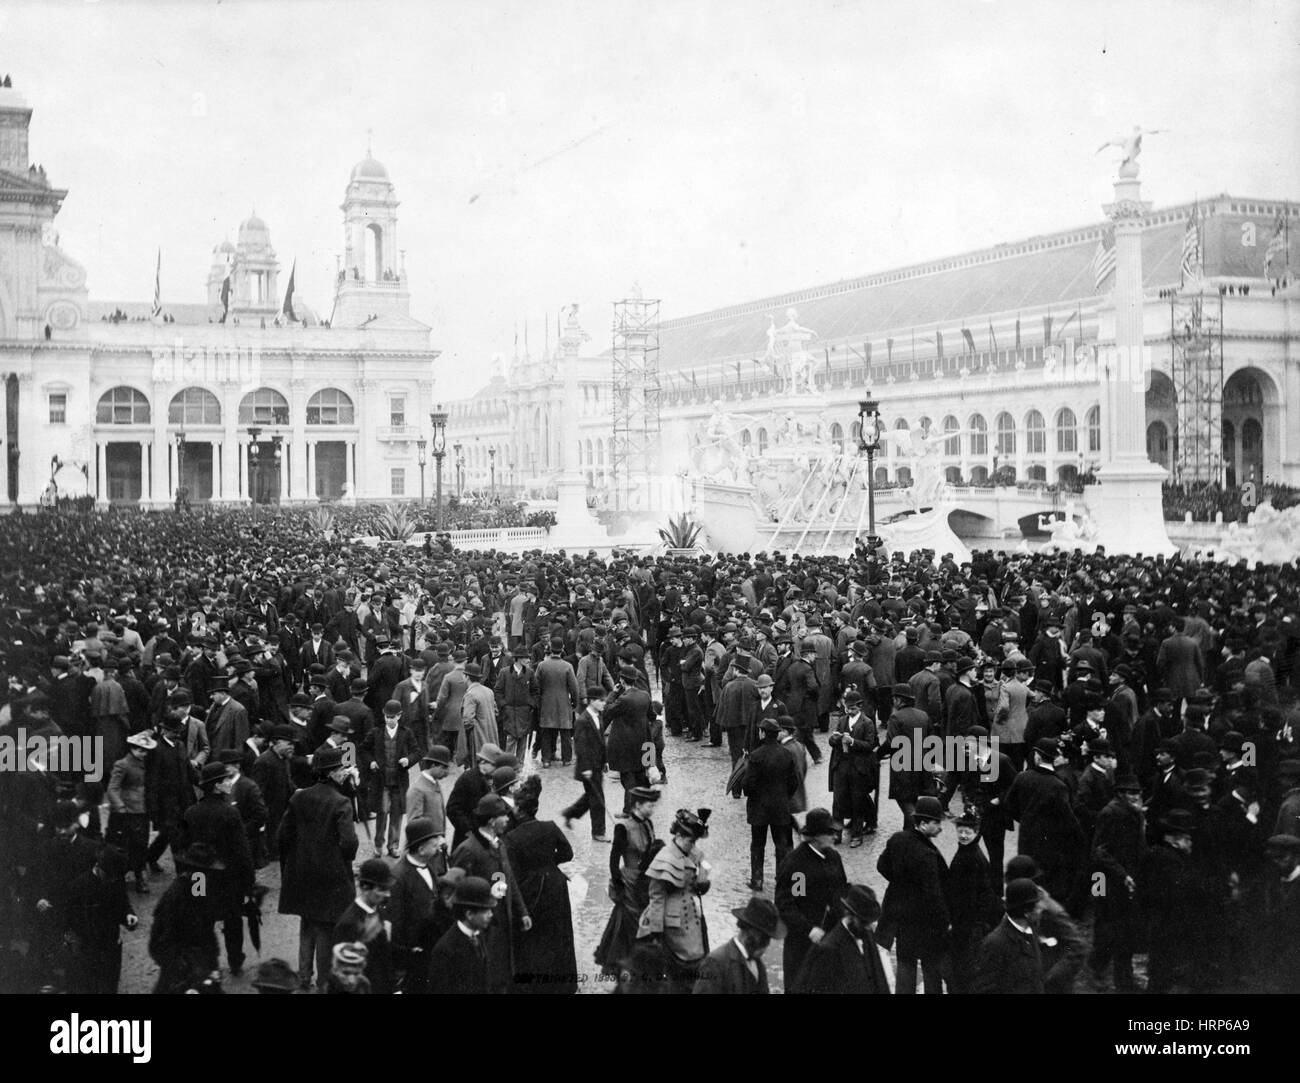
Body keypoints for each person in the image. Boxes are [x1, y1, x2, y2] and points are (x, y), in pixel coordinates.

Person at [278, 745, 359, 992]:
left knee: (307, 923)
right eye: (341, 769)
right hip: (330, 876)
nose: (345, 772)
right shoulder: (341, 802)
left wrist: (292, 863)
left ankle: (303, 976)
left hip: (302, 873)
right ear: (332, 773)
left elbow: (282, 836)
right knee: (326, 927)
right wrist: (342, 859)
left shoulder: (299, 797)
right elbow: (349, 843)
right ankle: (323, 982)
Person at [449, 793, 532, 993]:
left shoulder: (499, 843)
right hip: (481, 929)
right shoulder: (468, 850)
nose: (508, 819)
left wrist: (522, 911)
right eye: (504, 816)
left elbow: (508, 880)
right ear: (492, 821)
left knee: (502, 973)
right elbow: (454, 893)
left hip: (502, 923)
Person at [178, 761, 255, 977]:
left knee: (202, 919)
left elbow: (182, 846)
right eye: (226, 779)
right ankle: (235, 960)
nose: (230, 782)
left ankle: (206, 963)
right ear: (216, 786)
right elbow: (242, 851)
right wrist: (248, 881)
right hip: (228, 877)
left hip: (199, 877)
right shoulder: (230, 813)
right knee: (232, 919)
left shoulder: (191, 812)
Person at [506, 776, 577, 993]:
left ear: (520, 810)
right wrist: (549, 863)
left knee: (535, 938)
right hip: (555, 885)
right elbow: (568, 853)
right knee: (559, 934)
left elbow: (511, 871)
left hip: (531, 889)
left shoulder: (512, 838)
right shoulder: (550, 827)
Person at [877, 795, 950, 994]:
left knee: (905, 962)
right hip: (925, 922)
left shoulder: (898, 839)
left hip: (900, 916)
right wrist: (945, 921)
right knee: (931, 966)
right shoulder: (927, 855)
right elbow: (933, 895)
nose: (941, 828)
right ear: (923, 824)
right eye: (937, 823)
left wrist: (900, 884)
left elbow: (881, 866)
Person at [636, 808, 712, 993]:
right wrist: (656, 933)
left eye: (695, 841)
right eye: (690, 841)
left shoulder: (692, 854)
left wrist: (703, 881)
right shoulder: (664, 858)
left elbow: (695, 887)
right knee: (679, 969)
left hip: (692, 918)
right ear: (678, 836)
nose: (693, 845)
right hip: (673, 925)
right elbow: (656, 898)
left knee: (697, 962)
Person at [1003, 737, 1086, 906]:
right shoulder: (1058, 785)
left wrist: (1025, 819)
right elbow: (1067, 818)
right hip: (1050, 841)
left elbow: (1009, 806)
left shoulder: (1022, 778)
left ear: (1037, 757)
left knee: (1027, 874)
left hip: (1026, 836)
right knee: (1047, 879)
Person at [774, 808, 848, 984]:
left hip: (831, 936)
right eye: (829, 832)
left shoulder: (833, 857)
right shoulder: (796, 865)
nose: (835, 836)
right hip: (803, 941)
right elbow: (787, 904)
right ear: (815, 836)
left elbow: (842, 890)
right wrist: (808, 929)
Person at [596, 785, 660, 976]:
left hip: (647, 881)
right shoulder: (623, 827)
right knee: (631, 924)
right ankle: (628, 964)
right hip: (630, 884)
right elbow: (613, 861)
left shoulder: (648, 824)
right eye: (649, 805)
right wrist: (619, 885)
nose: (652, 809)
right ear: (638, 805)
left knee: (643, 922)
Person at [61, 845, 138, 993]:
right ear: (98, 867)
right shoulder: (79, 886)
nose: (112, 879)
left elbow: (122, 903)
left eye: (115, 877)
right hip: (87, 949)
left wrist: (129, 915)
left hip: (111, 945)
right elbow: (68, 919)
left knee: (110, 986)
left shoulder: (115, 879)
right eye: (109, 876)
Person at [148, 843, 222, 994]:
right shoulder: (176, 896)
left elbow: (205, 926)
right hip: (180, 962)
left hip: (198, 960)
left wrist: (212, 961)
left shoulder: (199, 889)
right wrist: (182, 966)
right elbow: (161, 939)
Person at [791, 883, 890, 995]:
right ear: (848, 915)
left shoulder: (865, 933)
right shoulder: (829, 949)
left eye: (870, 922)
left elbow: (879, 979)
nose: (869, 927)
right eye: (863, 922)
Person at [387, 816, 446, 994]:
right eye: (434, 845)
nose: (438, 846)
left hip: (430, 948)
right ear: (421, 849)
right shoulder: (398, 877)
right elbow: (396, 922)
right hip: (413, 954)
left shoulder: (429, 866)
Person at [947, 810, 1001, 994]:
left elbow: (982, 895)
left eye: (967, 832)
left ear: (976, 832)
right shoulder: (968, 852)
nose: (963, 835)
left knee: (966, 967)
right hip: (966, 921)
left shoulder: (973, 857)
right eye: (960, 831)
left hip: (969, 924)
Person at [743, 719, 799, 891]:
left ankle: (757, 880)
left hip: (759, 808)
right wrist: (783, 796)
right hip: (780, 807)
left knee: (757, 844)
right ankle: (782, 880)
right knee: (781, 845)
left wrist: (752, 794)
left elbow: (748, 784)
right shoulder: (786, 754)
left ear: (762, 733)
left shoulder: (756, 755)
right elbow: (793, 782)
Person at [692, 895, 784, 994]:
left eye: (768, 939)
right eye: (763, 938)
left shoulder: (759, 965)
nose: (767, 945)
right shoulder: (715, 963)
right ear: (749, 930)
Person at [332, 857, 396, 995]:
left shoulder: (376, 910)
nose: (387, 894)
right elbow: (345, 978)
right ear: (365, 887)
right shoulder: (349, 924)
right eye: (382, 889)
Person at [363, 699, 417, 858]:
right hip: (382, 782)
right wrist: (371, 761)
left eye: (392, 717)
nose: (389, 720)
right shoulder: (376, 732)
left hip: (399, 782)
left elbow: (417, 751)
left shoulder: (406, 733)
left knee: (397, 814)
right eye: (387, 717)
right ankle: (378, 846)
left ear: (399, 716)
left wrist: (408, 760)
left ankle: (393, 846)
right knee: (382, 813)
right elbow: (363, 750)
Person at [426, 875, 496, 995]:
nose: (491, 914)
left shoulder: (480, 935)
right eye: (486, 911)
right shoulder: (445, 949)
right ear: (469, 914)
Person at [972, 878, 1044, 994]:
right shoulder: (995, 944)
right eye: (1037, 906)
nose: (1042, 909)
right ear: (1026, 912)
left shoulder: (1031, 931)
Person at [828, 689, 878, 846]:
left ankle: (857, 835)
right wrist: (835, 739)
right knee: (838, 801)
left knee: (858, 802)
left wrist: (853, 742)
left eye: (852, 708)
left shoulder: (867, 723)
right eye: (847, 708)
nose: (849, 711)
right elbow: (831, 741)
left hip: (858, 768)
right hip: (841, 765)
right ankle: (836, 833)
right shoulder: (842, 720)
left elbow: (870, 745)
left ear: (860, 706)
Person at [106, 731, 153, 892]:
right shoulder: (122, 764)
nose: (143, 753)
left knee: (141, 844)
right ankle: (121, 876)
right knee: (124, 845)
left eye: (145, 750)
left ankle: (140, 875)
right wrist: (120, 807)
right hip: (127, 811)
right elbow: (112, 788)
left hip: (143, 810)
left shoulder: (146, 763)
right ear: (132, 749)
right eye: (140, 750)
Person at [562, 686, 609, 841]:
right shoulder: (582, 720)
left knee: (591, 796)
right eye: (601, 700)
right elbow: (580, 746)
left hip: (597, 765)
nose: (604, 703)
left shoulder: (598, 716)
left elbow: (601, 741)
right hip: (588, 767)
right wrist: (586, 767)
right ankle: (598, 832)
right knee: (598, 800)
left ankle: (570, 813)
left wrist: (605, 761)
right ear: (591, 701)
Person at [536, 636, 578, 767]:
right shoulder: (568, 666)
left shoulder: (542, 665)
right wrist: (575, 703)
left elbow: (536, 686)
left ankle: (546, 760)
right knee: (565, 732)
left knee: (546, 732)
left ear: (550, 648)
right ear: (562, 648)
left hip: (546, 703)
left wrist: (539, 701)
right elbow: (574, 688)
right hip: (563, 703)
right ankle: (567, 759)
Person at [405, 745, 451, 836]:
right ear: (433, 765)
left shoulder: (434, 783)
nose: (447, 773)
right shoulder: (417, 790)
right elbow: (414, 827)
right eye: (443, 768)